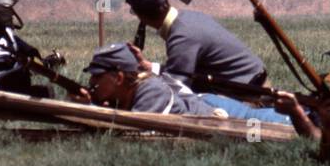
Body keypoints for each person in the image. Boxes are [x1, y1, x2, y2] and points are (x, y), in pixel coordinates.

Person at [122, 0, 266, 87]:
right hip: (247, 80)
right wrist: (149, 67)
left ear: (142, 16)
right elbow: (182, 71)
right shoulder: (187, 19)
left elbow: (175, 87)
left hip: (248, 91)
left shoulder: (182, 37)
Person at [83, 43, 228, 116]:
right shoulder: (122, 92)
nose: (91, 81)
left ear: (119, 78)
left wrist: (88, 109)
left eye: (98, 76)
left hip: (223, 113)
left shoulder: (152, 90)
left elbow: (132, 130)